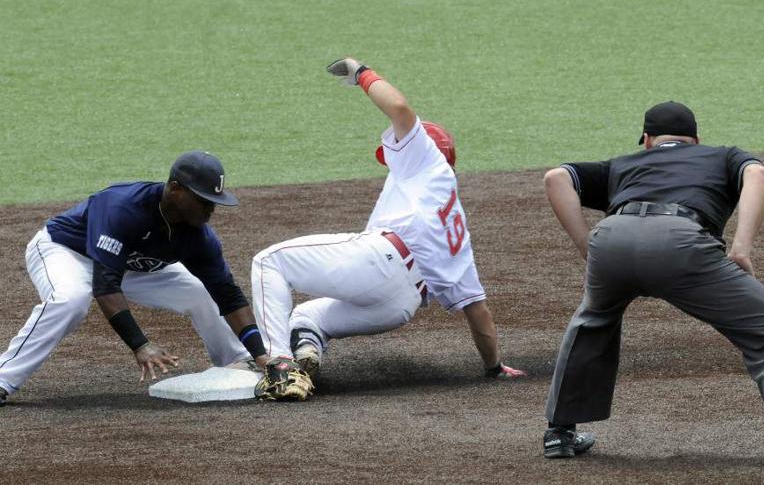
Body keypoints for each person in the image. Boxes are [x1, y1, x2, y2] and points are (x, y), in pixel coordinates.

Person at [540, 101, 764, 471]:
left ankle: (559, 433)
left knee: (593, 320)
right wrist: (741, 247)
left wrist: (586, 247)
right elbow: (757, 174)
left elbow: (555, 178)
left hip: (612, 239)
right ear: (695, 139)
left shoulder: (622, 165)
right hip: (680, 242)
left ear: (647, 141)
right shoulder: (722, 156)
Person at [250, 58, 525, 388]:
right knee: (305, 316)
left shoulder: (427, 159)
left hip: (381, 262)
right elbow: (478, 312)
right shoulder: (456, 229)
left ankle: (279, 364)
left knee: (269, 262)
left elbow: (400, 108)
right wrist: (494, 366)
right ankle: (307, 354)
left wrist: (361, 73)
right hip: (398, 307)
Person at [0, 150, 273, 407]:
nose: (210, 209)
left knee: (200, 290)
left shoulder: (199, 237)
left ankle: (240, 361)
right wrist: (140, 345)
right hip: (68, 251)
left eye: (213, 201)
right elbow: (105, 286)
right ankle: (4, 378)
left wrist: (262, 355)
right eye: (202, 200)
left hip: (133, 265)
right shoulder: (122, 207)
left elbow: (228, 296)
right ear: (175, 189)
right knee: (70, 300)